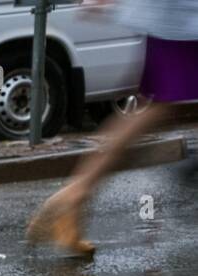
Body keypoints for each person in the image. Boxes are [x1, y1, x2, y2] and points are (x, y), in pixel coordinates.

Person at [28, 0, 198, 255]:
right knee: (158, 107)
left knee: (159, 107)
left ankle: (73, 198)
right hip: (181, 18)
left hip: (176, 17)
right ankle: (73, 195)